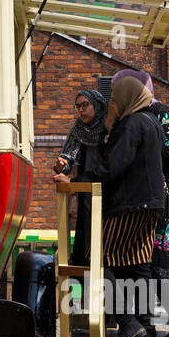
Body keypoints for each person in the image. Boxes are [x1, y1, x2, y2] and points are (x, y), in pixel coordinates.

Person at [85, 76, 166, 337]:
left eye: (115, 101)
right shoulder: (152, 122)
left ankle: (129, 325)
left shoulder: (131, 124)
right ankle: (143, 328)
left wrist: (81, 180)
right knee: (139, 263)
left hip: (129, 205)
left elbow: (113, 166)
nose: (112, 105)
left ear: (125, 99)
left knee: (99, 259)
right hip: (152, 204)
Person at [112, 68, 169, 337]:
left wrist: (146, 145)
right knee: (140, 263)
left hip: (159, 198)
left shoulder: (162, 113)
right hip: (135, 200)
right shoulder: (126, 115)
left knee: (159, 265)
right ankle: (146, 327)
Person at [53, 88, 108, 266]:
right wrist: (61, 165)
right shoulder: (78, 129)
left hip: (109, 192)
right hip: (86, 193)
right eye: (77, 107)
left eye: (85, 105)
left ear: (97, 106)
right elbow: (67, 160)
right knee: (84, 246)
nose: (81, 110)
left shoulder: (109, 128)